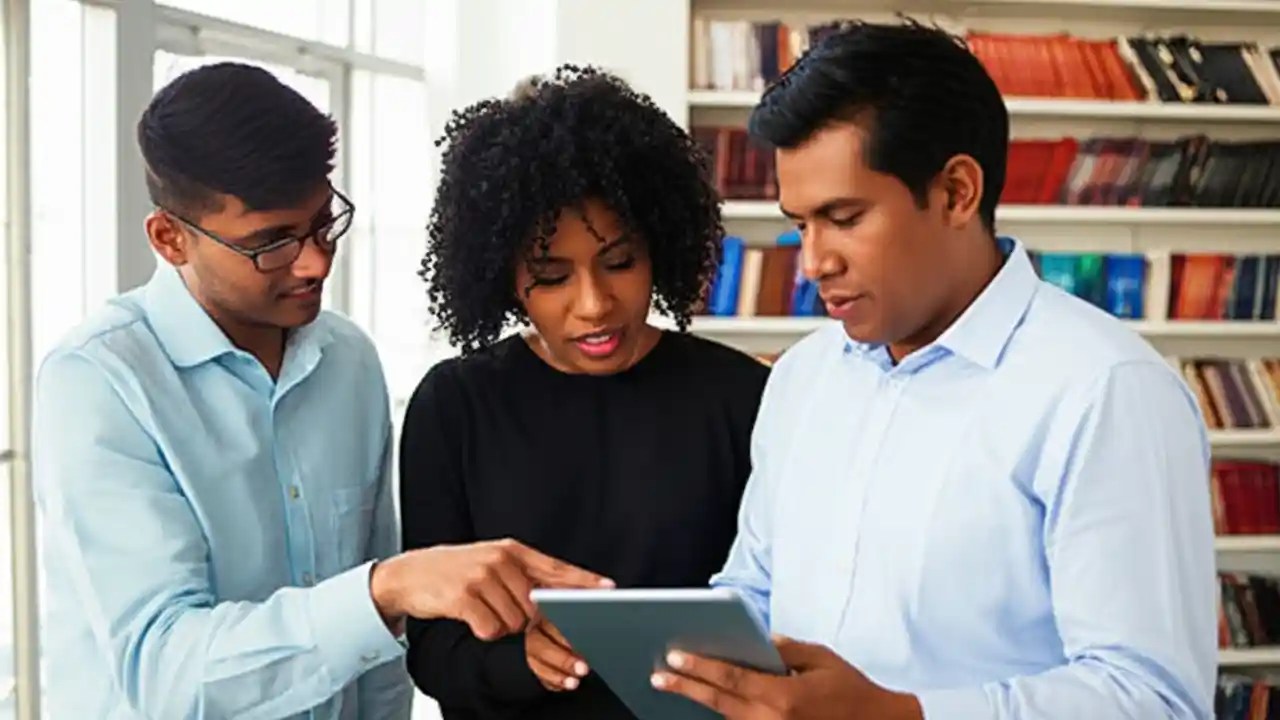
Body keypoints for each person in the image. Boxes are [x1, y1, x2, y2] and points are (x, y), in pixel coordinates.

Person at [650, 20, 1217, 720]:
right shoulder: (802, 379)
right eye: (800, 224)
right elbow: (758, 590)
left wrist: (901, 714)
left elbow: (1153, 699)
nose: (813, 262)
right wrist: (676, 660)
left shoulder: (1105, 392)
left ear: (956, 192)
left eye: (845, 217)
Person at [31, 62, 609, 720]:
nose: (314, 261)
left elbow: (378, 659)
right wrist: (385, 589)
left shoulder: (348, 362)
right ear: (170, 239)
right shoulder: (100, 382)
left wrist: (386, 601)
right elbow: (165, 671)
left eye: (321, 222)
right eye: (271, 244)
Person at [399, 65, 771, 719]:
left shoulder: (743, 397)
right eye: (551, 276)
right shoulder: (455, 406)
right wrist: (524, 664)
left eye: (620, 262)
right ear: (503, 277)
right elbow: (433, 651)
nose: (594, 305)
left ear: (660, 247)